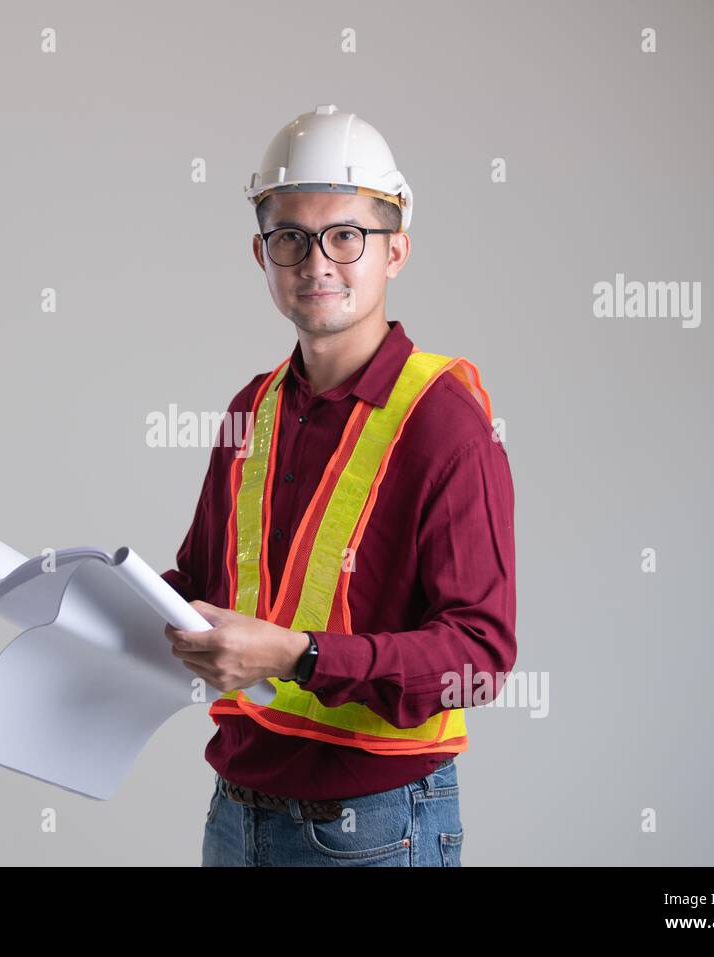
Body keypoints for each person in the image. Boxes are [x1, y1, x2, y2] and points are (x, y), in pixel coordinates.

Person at [159, 105, 518, 867]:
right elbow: (198, 583)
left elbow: (479, 657)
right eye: (290, 236)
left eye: (345, 235)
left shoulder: (446, 423)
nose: (316, 262)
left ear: (397, 251)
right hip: (237, 814)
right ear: (261, 253)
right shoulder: (249, 411)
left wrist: (299, 655)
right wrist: (97, 604)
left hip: (375, 827)